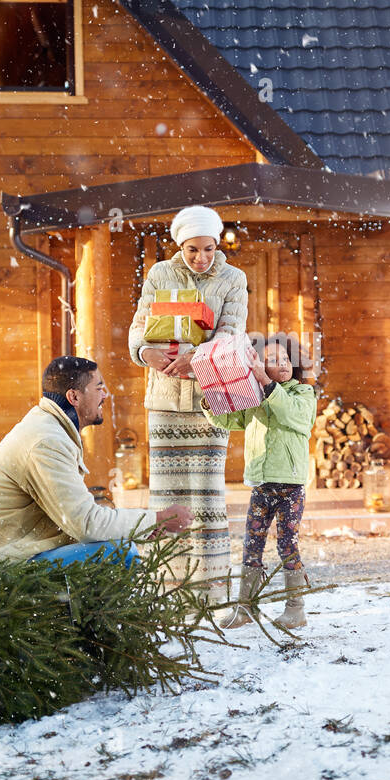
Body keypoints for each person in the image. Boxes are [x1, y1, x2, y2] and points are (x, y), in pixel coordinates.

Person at [0, 356, 191, 566]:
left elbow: (73, 518)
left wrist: (137, 526)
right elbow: (85, 524)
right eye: (99, 387)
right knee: (117, 554)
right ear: (74, 396)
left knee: (114, 545)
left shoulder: (51, 430)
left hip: (3, 553)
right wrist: (158, 519)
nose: (105, 395)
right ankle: (118, 621)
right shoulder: (45, 442)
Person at [128, 205, 248, 595]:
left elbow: (230, 334)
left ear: (218, 244)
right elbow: (140, 326)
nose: (201, 258)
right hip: (163, 402)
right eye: (193, 250)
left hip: (209, 403)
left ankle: (211, 591)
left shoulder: (234, 279)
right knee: (168, 496)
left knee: (206, 494)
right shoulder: (159, 273)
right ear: (180, 246)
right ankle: (166, 589)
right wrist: (145, 353)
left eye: (209, 249)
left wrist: (195, 359)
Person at [201, 334, 317, 629]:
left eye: (286, 359)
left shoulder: (302, 394)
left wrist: (266, 382)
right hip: (261, 485)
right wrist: (209, 402)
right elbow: (230, 420)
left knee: (287, 545)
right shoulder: (255, 398)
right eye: (273, 361)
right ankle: (245, 608)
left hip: (290, 487)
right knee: (251, 546)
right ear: (259, 367)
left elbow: (295, 417)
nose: (283, 364)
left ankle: (296, 609)